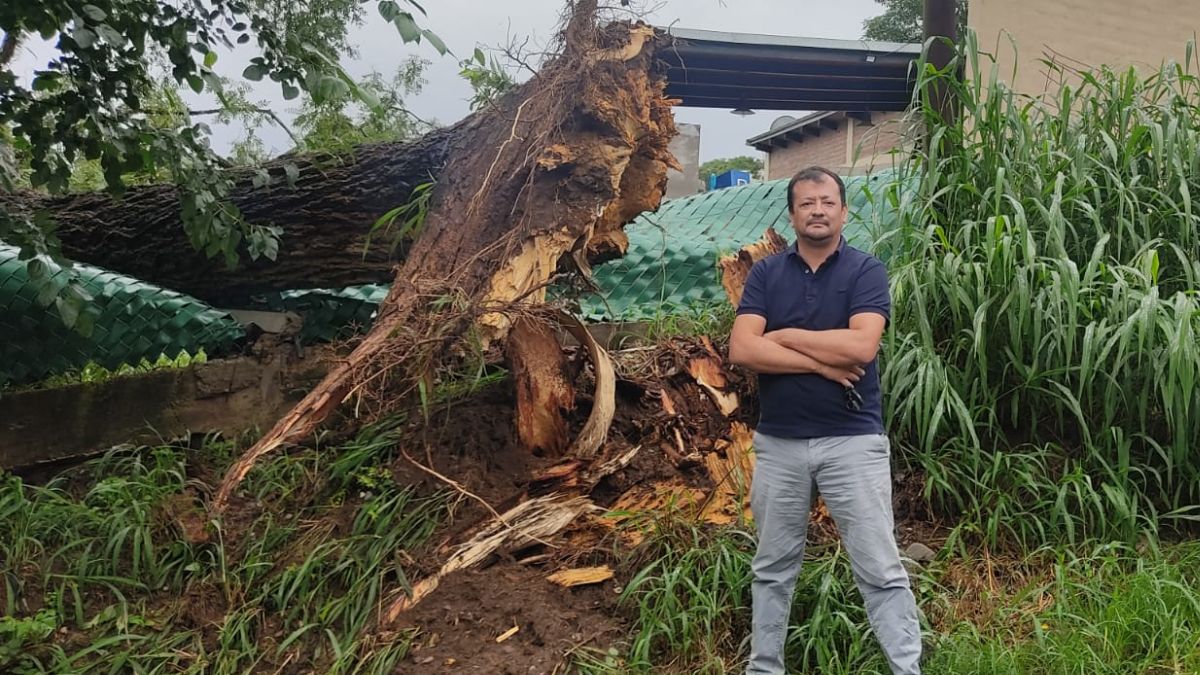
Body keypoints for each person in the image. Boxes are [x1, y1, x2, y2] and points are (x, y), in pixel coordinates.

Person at [728, 166, 921, 675]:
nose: (818, 210)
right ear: (791, 214)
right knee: (772, 568)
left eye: (827, 201)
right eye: (807, 202)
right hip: (779, 443)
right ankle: (763, 668)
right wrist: (819, 361)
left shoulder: (865, 271)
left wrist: (784, 335)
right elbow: (742, 348)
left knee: (880, 568)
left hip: (851, 440)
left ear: (843, 210)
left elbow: (862, 346)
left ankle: (907, 668)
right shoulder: (767, 274)